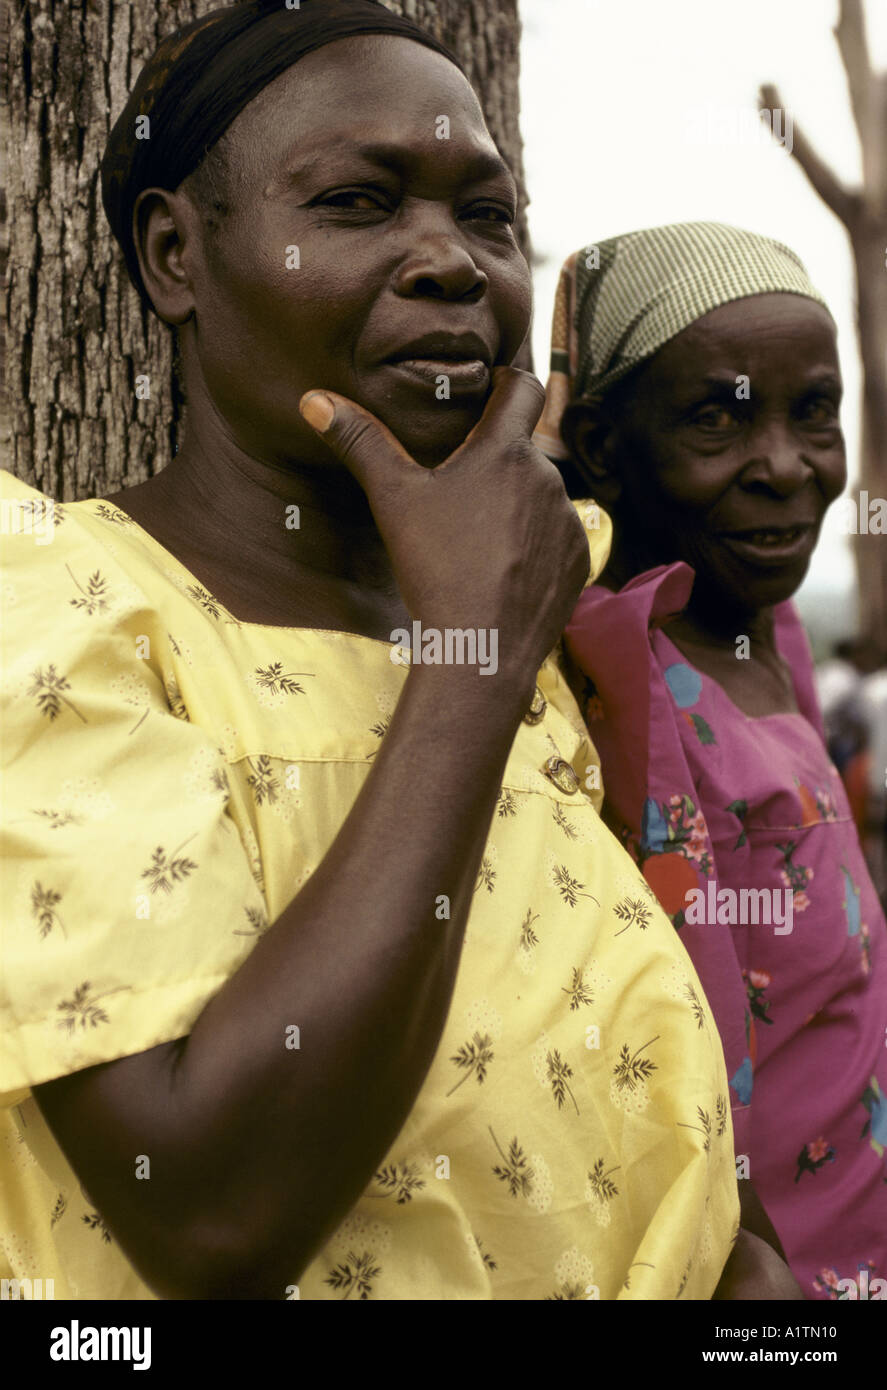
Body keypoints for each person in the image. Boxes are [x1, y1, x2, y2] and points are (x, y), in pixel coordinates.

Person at [1, 1, 757, 1303]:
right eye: (357, 203)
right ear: (176, 257)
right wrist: (473, 656)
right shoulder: (59, 609)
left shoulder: (517, 639)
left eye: (486, 216)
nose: (450, 263)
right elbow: (210, 1207)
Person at [534, 221, 887, 1299]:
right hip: (777, 1267)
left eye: (812, 411)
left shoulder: (752, 617)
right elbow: (687, 1048)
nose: (784, 467)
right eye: (714, 420)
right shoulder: (630, 687)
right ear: (600, 443)